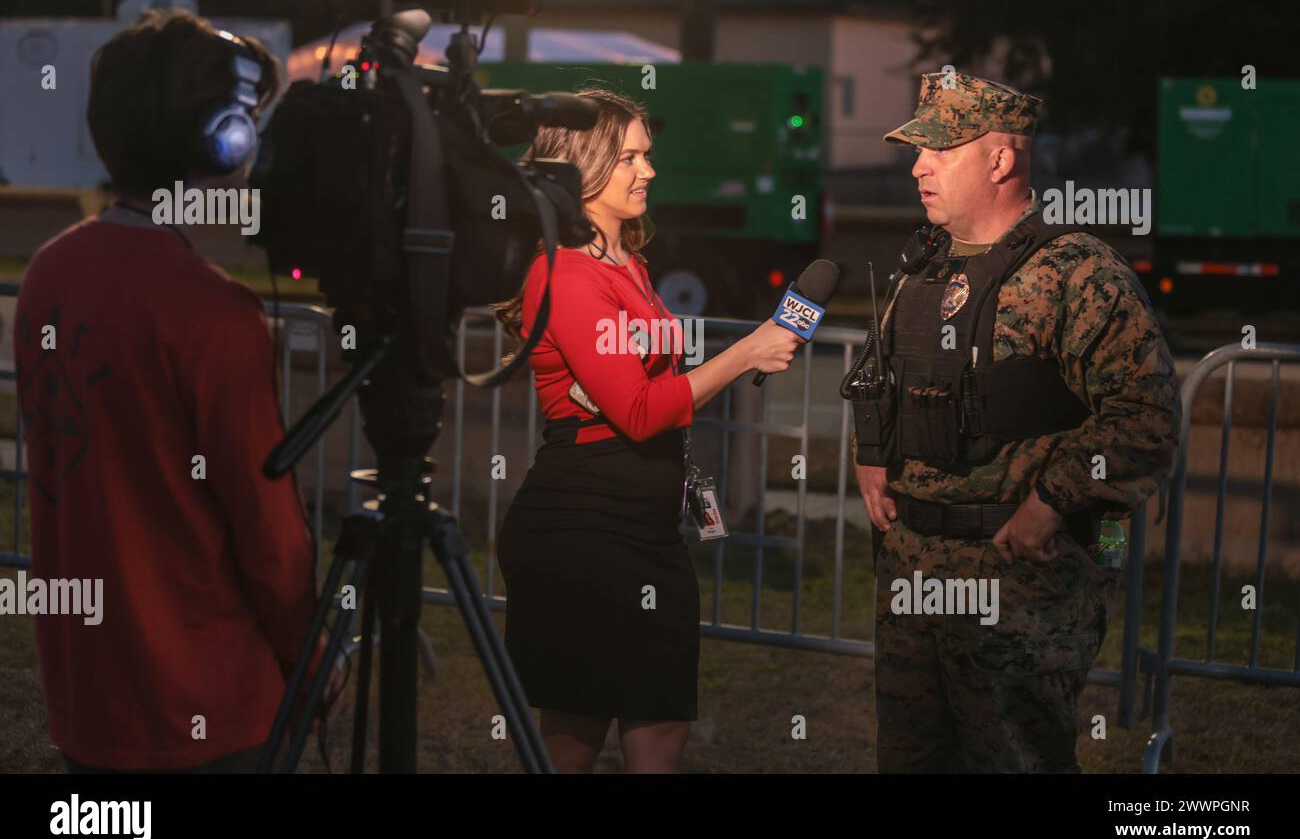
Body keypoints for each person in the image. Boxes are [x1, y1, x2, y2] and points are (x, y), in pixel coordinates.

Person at [14, 8, 336, 772]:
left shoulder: (47, 275)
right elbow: (272, 541)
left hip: (89, 706)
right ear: (223, 138)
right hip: (212, 714)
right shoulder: (215, 313)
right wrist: (317, 657)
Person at [852, 72, 1181, 772]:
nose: (918, 166)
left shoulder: (1077, 272)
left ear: (1000, 160)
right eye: (918, 151)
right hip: (912, 573)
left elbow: (1146, 419)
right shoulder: (923, 268)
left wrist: (1051, 499)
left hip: (1016, 584)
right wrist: (870, 450)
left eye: (939, 149)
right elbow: (883, 376)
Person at [493, 88, 804, 773]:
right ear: (582, 166)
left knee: (659, 727)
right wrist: (745, 351)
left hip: (644, 526)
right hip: (582, 529)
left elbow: (640, 388)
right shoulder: (566, 272)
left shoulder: (627, 262)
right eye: (630, 156)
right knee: (571, 739)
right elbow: (635, 408)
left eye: (647, 155)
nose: (649, 171)